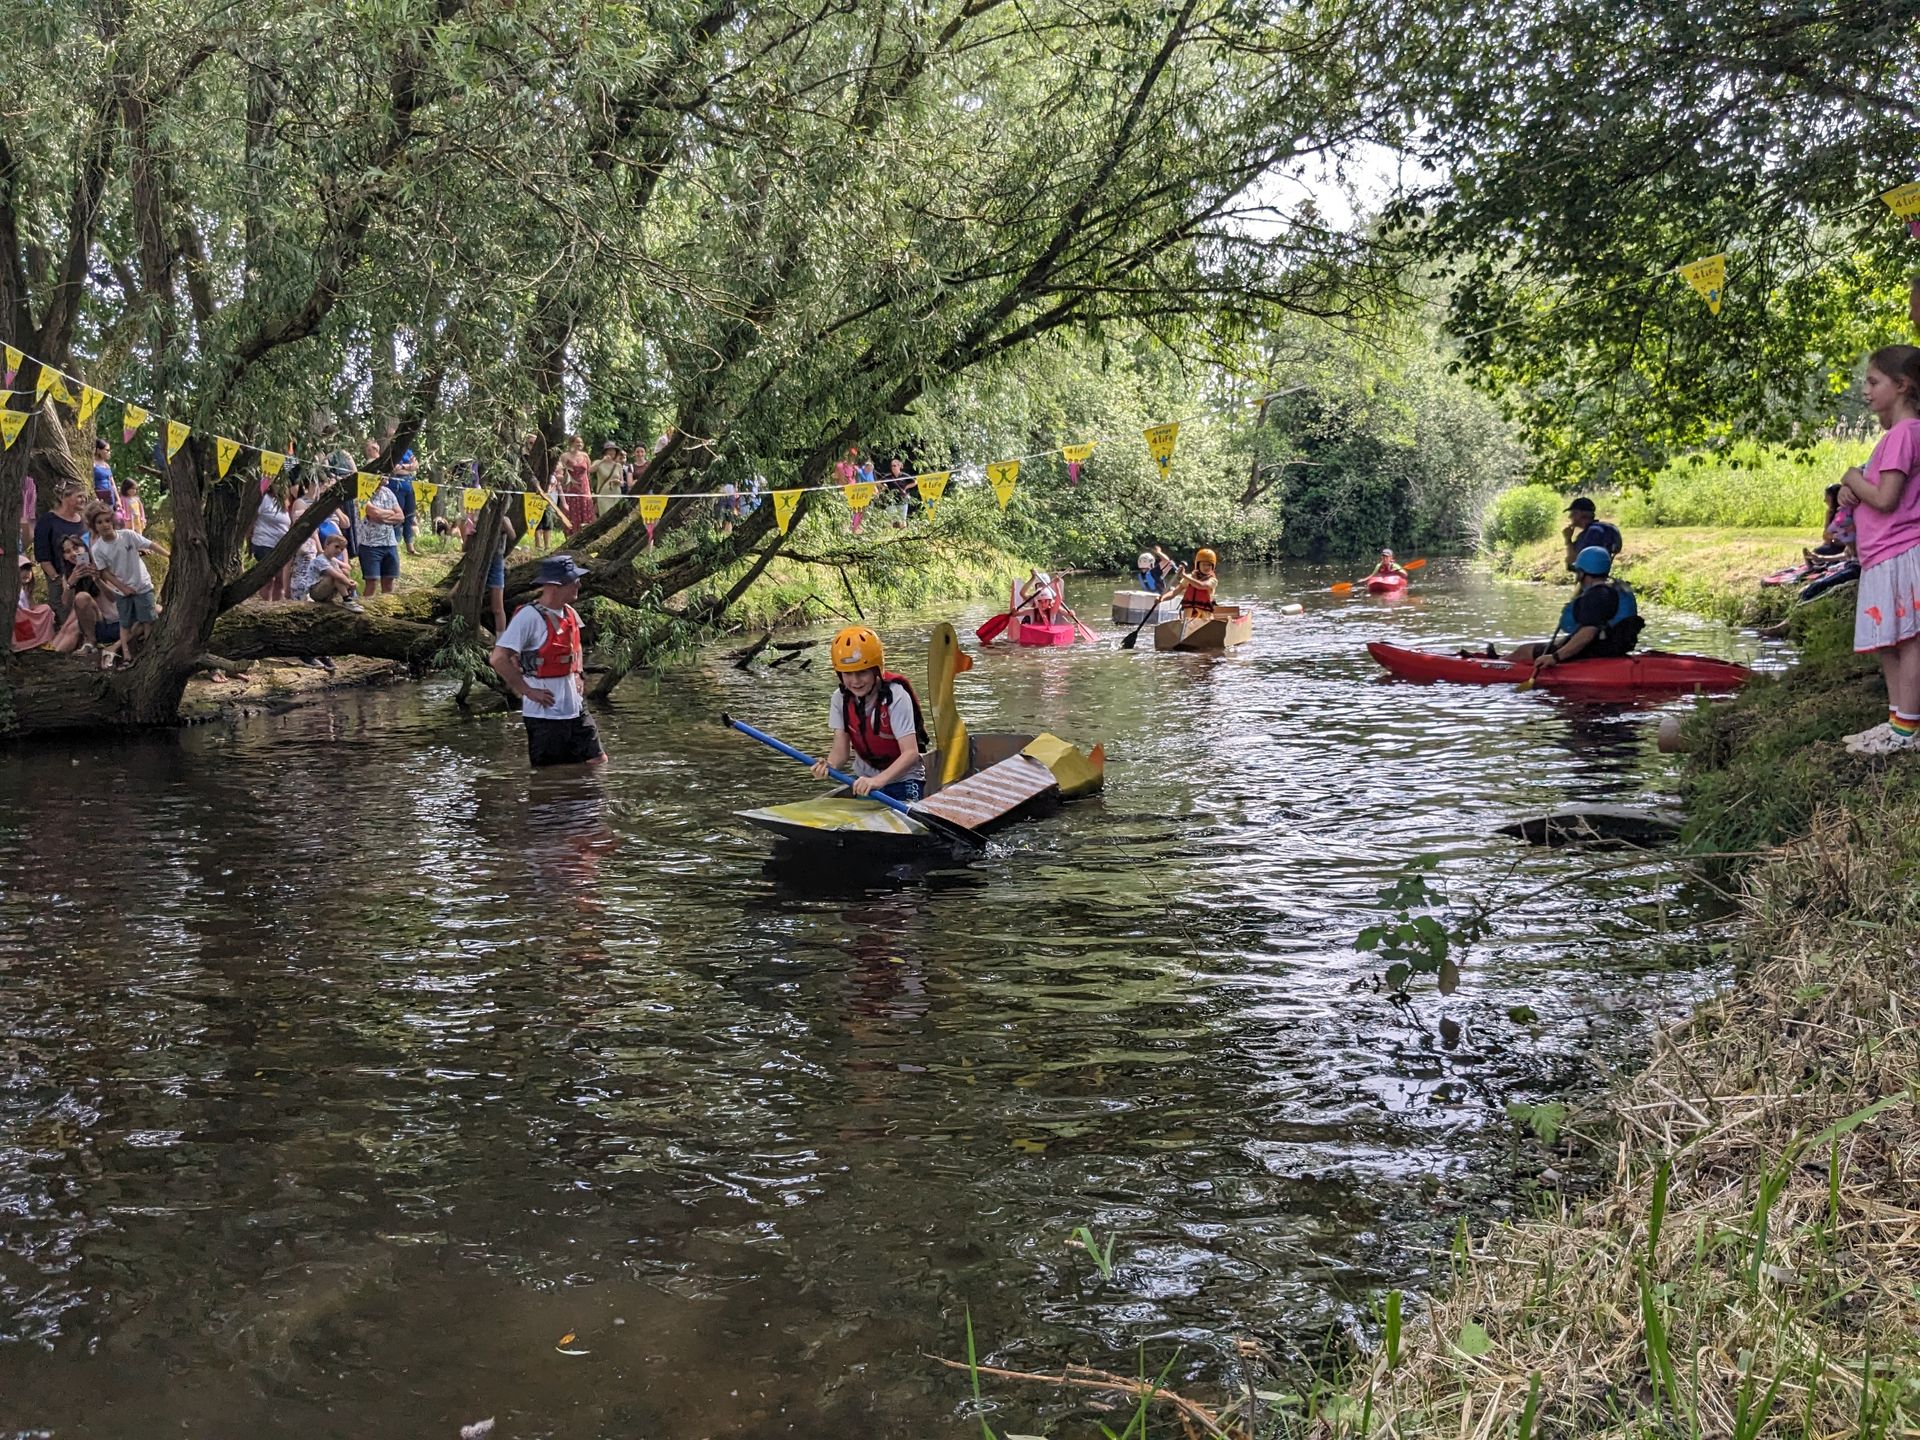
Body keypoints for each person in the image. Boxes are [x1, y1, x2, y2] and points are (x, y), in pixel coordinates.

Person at [1836, 345, 1920, 755]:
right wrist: (1854, 491)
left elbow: (1886, 498)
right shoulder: (1897, 435)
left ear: (1902, 385)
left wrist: (1852, 476)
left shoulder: (1905, 433)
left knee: (1908, 641)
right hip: (1882, 555)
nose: (1865, 390)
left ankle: (1906, 730)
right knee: (1890, 640)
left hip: (1899, 552)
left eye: (1873, 381)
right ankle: (1896, 722)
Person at [488, 554, 606, 769]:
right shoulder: (529, 617)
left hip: (575, 708)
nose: (579, 584)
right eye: (573, 581)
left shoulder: (569, 612)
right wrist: (527, 690)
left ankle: (584, 801)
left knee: (597, 761)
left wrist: (578, 673)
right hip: (545, 714)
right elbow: (498, 658)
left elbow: (576, 646)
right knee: (549, 774)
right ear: (554, 586)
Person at [809, 625, 927, 801]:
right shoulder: (839, 699)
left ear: (876, 670)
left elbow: (910, 753)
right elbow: (841, 752)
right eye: (848, 674)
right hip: (866, 783)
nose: (855, 681)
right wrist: (829, 765)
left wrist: (878, 781)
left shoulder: (896, 696)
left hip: (905, 779)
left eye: (862, 672)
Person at [1485, 545, 1642, 668]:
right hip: (1611, 646)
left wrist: (1555, 657)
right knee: (1547, 646)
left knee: (1524, 651)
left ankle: (1497, 665)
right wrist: (1560, 645)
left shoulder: (1597, 596)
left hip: (1598, 649)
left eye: (1577, 571)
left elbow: (1588, 633)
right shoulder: (1611, 589)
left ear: (1582, 573)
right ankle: (1501, 658)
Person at [87, 503, 166, 661]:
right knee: (125, 623)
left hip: (142, 585)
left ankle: (148, 652)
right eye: (99, 522)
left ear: (112, 521)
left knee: (148, 620)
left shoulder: (128, 535)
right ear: (94, 526)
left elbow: (149, 544)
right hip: (121, 589)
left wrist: (169, 555)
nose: (104, 525)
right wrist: (122, 588)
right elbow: (105, 573)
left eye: (107, 521)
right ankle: (125, 652)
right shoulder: (98, 549)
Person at [33, 482, 91, 624]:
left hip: (84, 578)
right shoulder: (48, 521)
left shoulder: (84, 521)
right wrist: (57, 579)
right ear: (65, 497)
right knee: (64, 620)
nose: (83, 500)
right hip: (60, 579)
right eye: (79, 496)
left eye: (84, 497)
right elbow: (42, 555)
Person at [357, 473, 405, 595]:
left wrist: (383, 518)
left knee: (389, 581)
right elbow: (374, 514)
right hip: (369, 545)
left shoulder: (388, 492)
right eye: (383, 476)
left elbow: (400, 516)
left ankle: (386, 610)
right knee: (372, 582)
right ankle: (366, 608)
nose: (387, 479)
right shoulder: (363, 493)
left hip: (390, 543)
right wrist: (390, 513)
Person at [250, 476, 293, 601]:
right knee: (269, 577)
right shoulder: (264, 499)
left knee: (280, 579)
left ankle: (276, 605)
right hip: (263, 543)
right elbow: (251, 521)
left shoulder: (284, 503)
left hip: (280, 545)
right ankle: (265, 604)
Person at [1562, 497, 1623, 571]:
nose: (1570, 516)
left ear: (1580, 514)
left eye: (1573, 513)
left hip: (1591, 578)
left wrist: (1568, 540)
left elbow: (1572, 562)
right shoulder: (1609, 528)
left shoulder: (1591, 533)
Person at [12, 557, 55, 652]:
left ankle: (43, 640)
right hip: (20, 617)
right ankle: (30, 643)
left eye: (28, 569)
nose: (26, 573)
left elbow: (28, 605)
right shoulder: (14, 590)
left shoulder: (25, 589)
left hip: (26, 615)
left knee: (45, 608)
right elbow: (20, 607)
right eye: (22, 570)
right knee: (45, 610)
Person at [553, 435, 594, 531]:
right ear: (571, 443)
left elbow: (589, 471)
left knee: (586, 509)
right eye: (577, 442)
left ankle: (586, 532)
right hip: (570, 487)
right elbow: (560, 471)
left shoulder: (585, 456)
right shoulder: (565, 456)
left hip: (584, 487)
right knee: (571, 510)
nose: (579, 444)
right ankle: (571, 532)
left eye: (581, 442)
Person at [389, 448, 421, 556]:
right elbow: (395, 469)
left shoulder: (408, 450)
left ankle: (410, 546)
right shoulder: (390, 450)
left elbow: (416, 465)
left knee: (410, 516)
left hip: (410, 484)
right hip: (396, 485)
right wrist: (409, 467)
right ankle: (395, 546)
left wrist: (403, 467)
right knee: (398, 516)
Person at [1178, 548, 1219, 614]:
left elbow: (1201, 586)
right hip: (1188, 618)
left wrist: (1183, 575)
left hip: (1204, 617)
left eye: (1209, 565)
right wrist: (1161, 598)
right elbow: (1173, 593)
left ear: (1213, 566)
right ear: (1198, 565)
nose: (1206, 567)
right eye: (1203, 564)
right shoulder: (1189, 578)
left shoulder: (1213, 581)